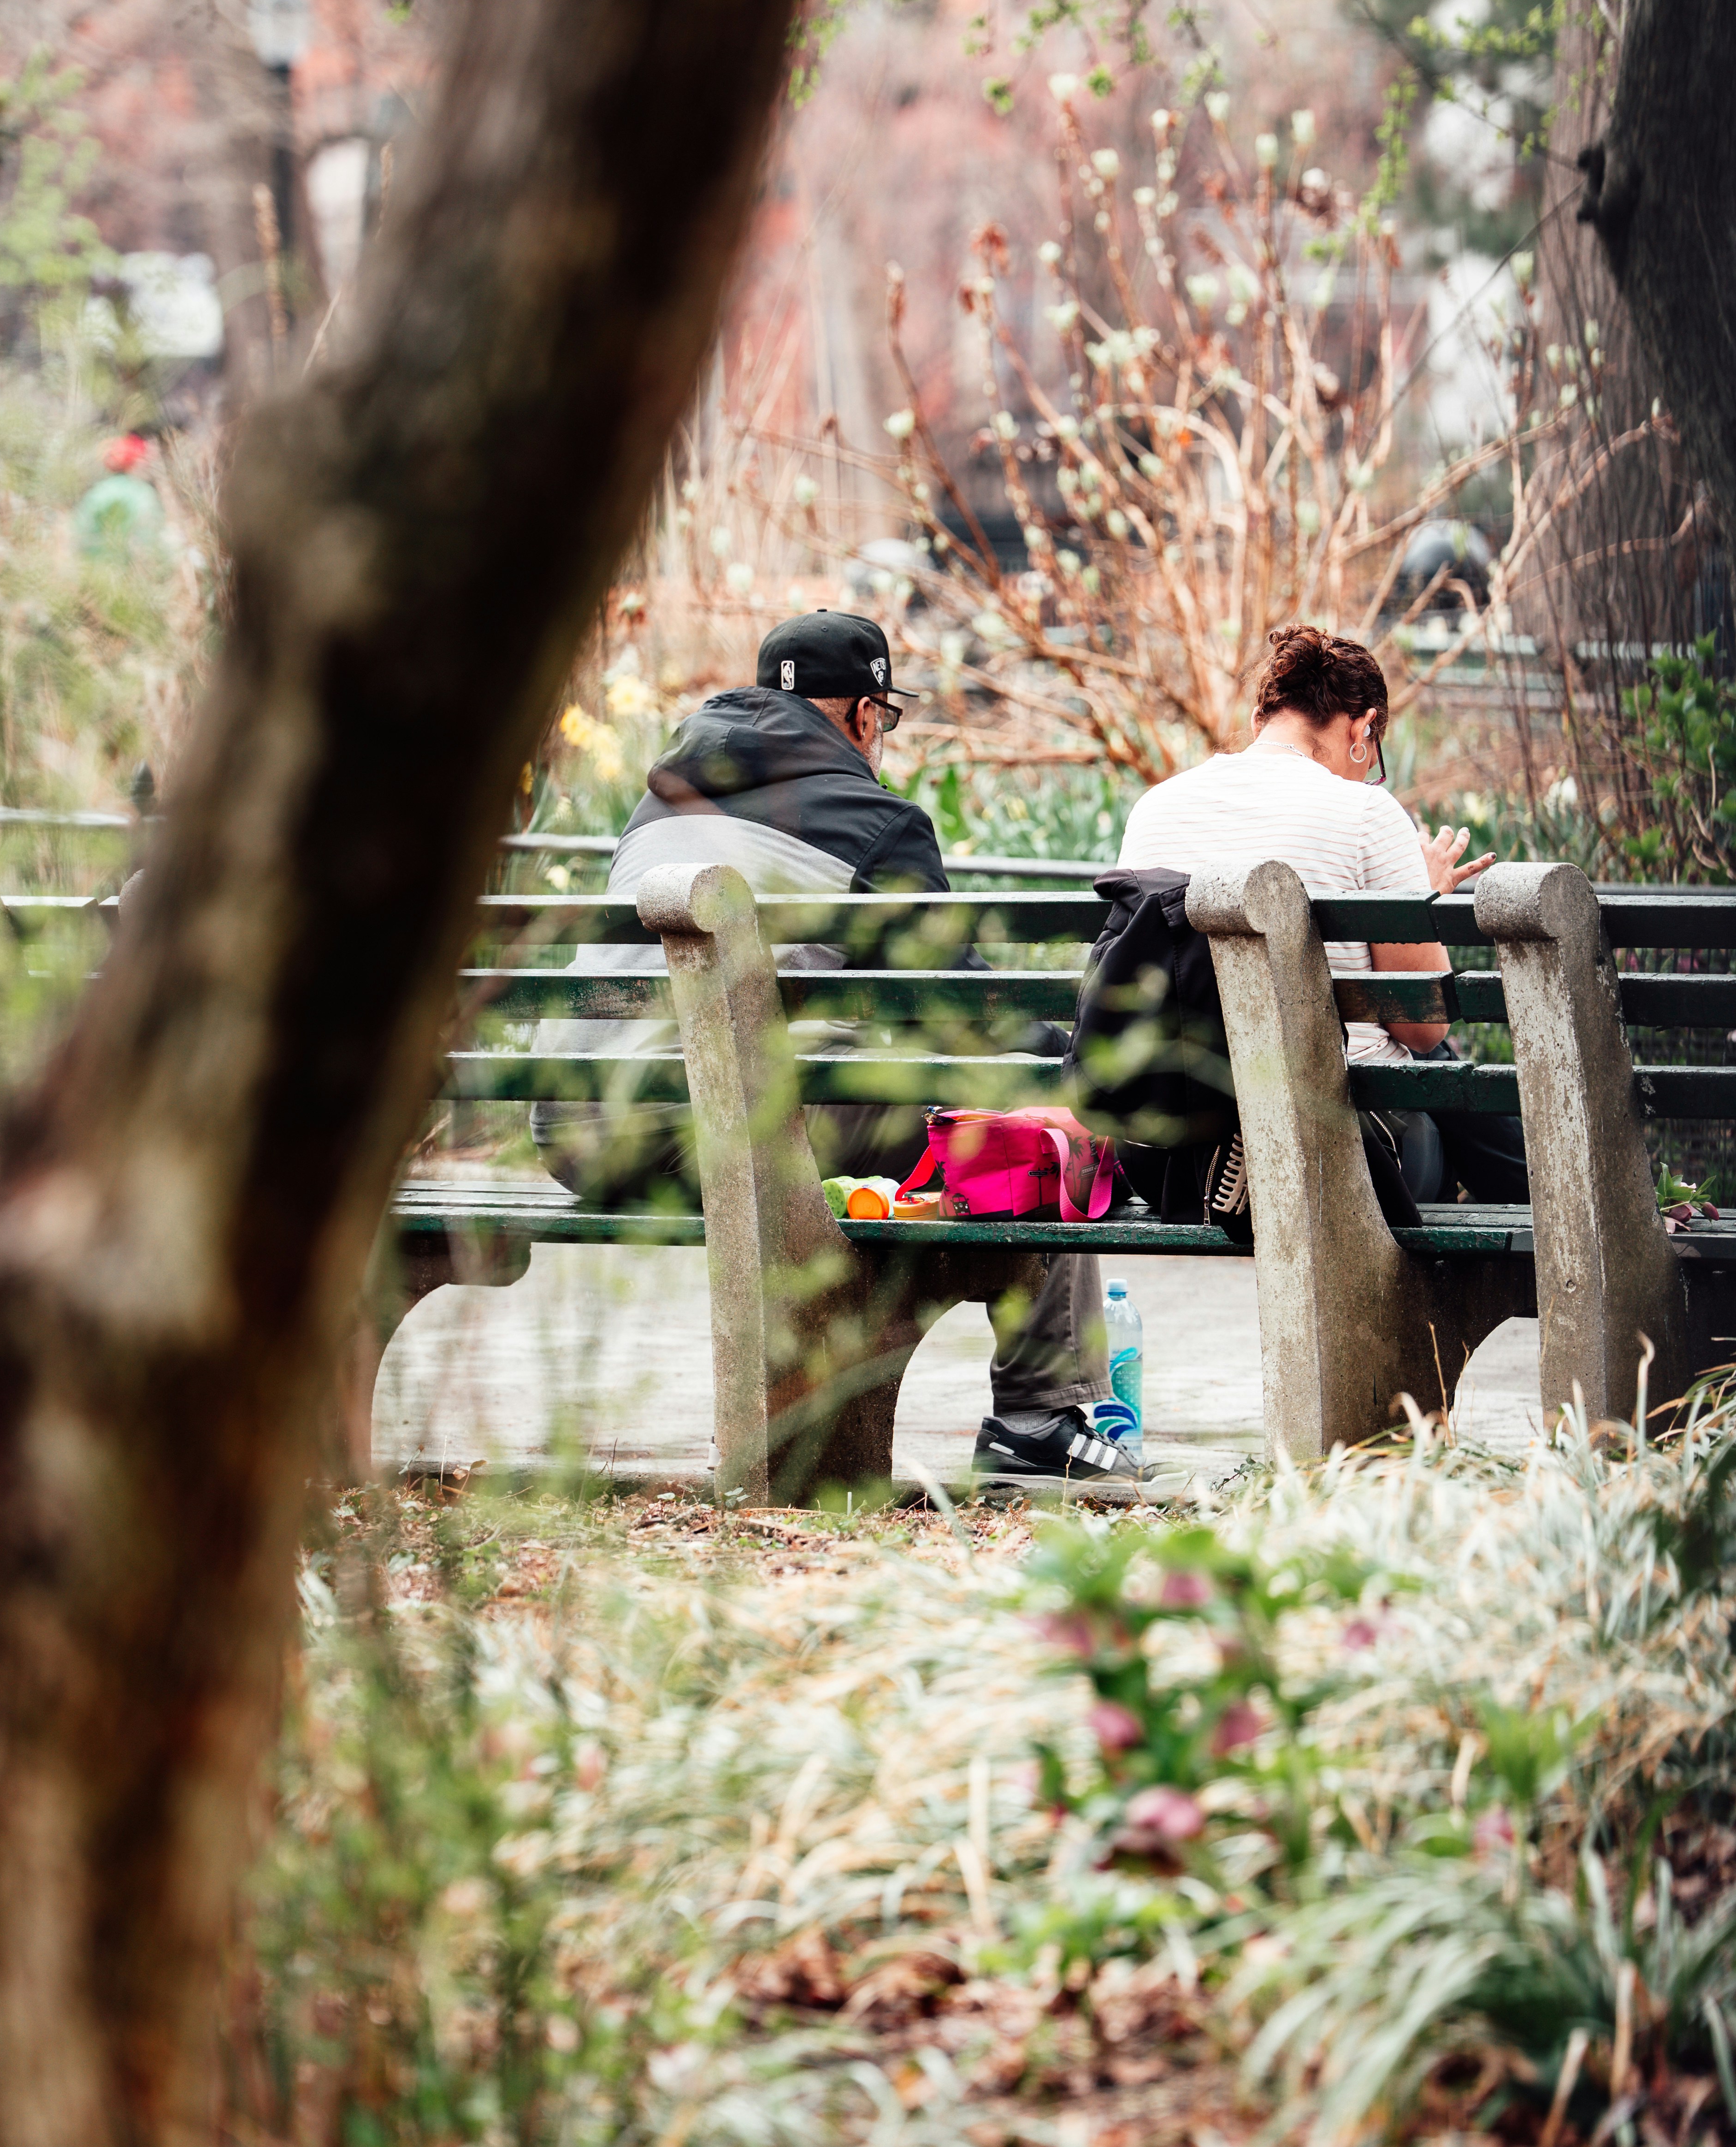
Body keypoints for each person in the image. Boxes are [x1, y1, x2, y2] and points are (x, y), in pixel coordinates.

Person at [531, 610, 1134, 1491]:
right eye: (885, 719)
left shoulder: (660, 800)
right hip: (721, 1136)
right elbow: (958, 1014)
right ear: (861, 714)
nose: (882, 738)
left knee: (820, 1067)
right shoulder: (872, 821)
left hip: (577, 1133)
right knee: (1032, 1134)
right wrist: (1064, 1069)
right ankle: (1040, 1416)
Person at [1112, 621, 1528, 1228]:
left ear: (1262, 721)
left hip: (1161, 1151)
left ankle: (1242, 1142)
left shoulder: (1156, 806)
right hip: (1338, 1151)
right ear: (1363, 728)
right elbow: (1422, 1028)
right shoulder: (1364, 813)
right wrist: (1421, 899)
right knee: (1441, 1076)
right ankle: (1558, 1207)